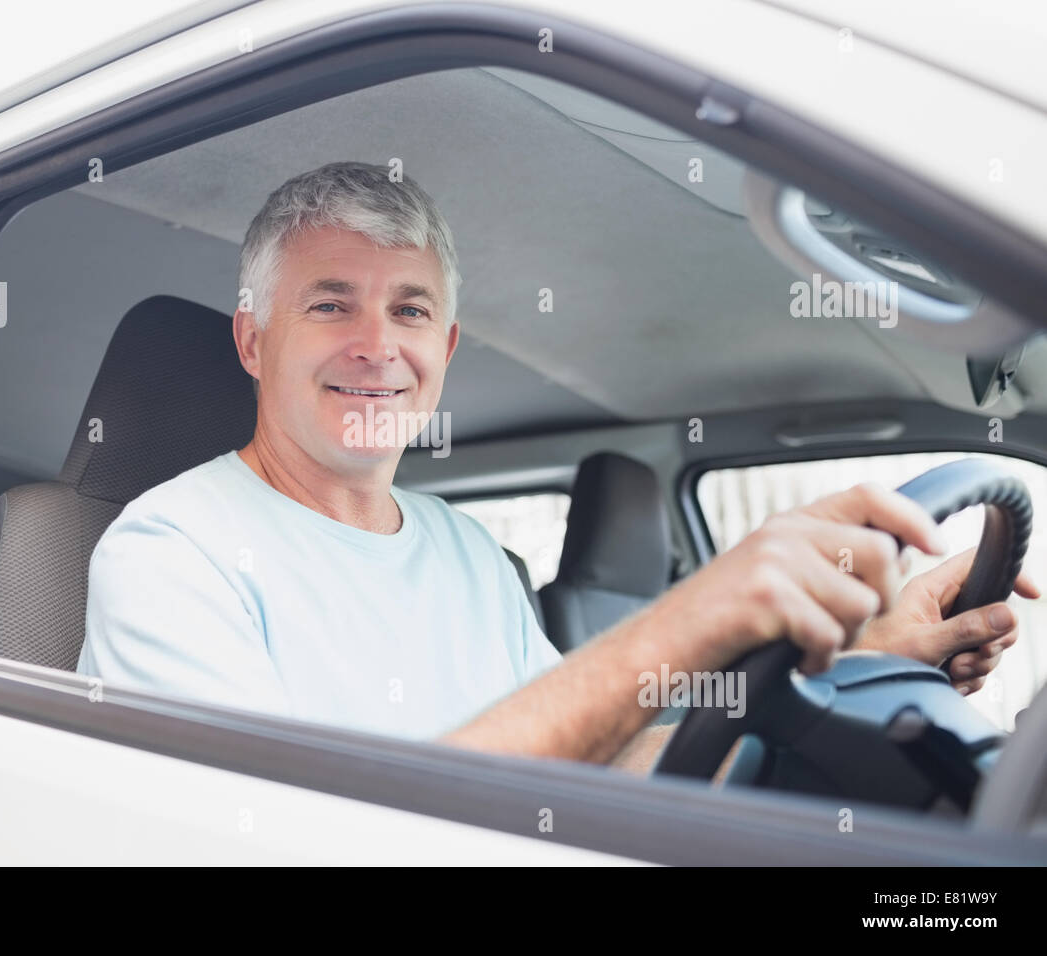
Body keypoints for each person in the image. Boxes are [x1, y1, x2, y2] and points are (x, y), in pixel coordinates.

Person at [77, 161, 1036, 766]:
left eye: (410, 310)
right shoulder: (170, 553)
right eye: (331, 305)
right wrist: (687, 621)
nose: (378, 346)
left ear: (445, 347)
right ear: (253, 341)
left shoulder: (466, 552)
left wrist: (862, 664)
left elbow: (597, 761)